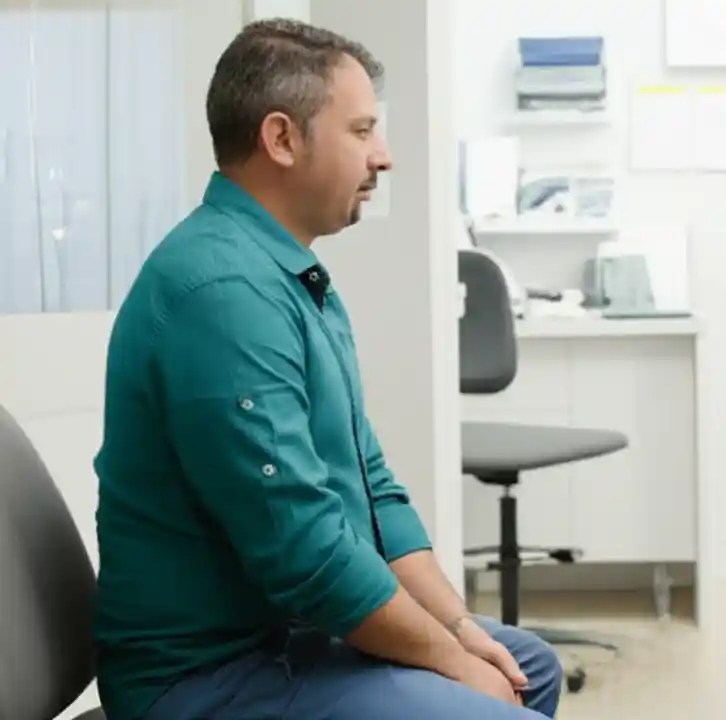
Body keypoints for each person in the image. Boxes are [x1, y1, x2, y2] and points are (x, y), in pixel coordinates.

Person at [92, 19, 561, 720]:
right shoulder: (221, 295)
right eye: (363, 130)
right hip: (203, 677)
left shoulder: (284, 274)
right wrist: (453, 663)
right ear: (282, 139)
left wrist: (460, 631)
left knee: (528, 668)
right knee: (490, 700)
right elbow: (305, 552)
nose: (384, 156)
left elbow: (372, 492)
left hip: (287, 639)